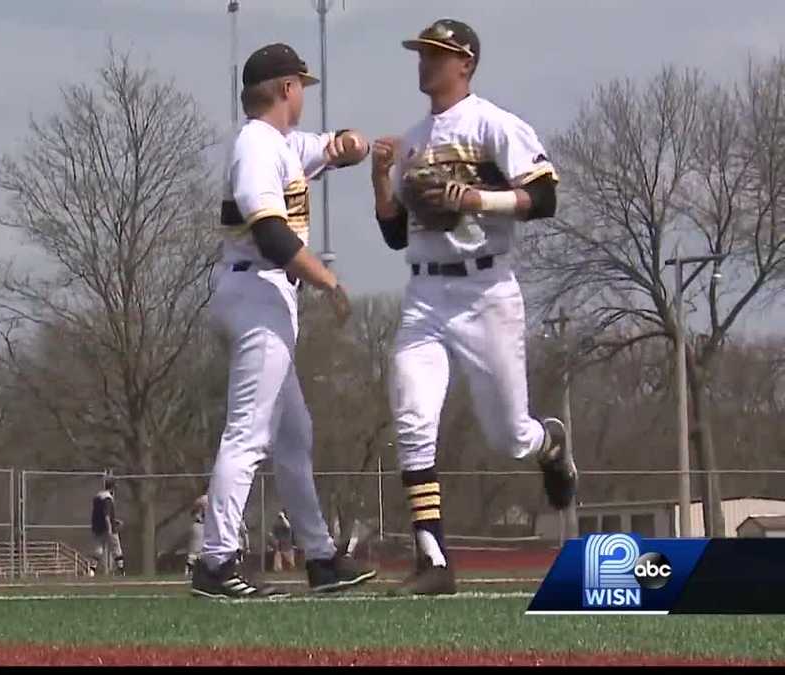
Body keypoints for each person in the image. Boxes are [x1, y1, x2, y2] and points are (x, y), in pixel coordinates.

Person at [372, 19, 576, 597]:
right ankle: (434, 561)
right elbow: (395, 236)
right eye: (422, 54)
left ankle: (550, 445)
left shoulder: (495, 124)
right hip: (425, 293)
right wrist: (381, 185)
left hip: (487, 293)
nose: (425, 63)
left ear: (466, 63)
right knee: (412, 419)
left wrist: (475, 197)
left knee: (509, 437)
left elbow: (545, 197)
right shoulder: (412, 139)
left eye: (437, 55)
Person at [193, 42, 376, 600]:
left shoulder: (280, 142)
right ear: (286, 88)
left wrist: (351, 145)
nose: (303, 96)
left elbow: (331, 149)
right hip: (257, 289)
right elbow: (272, 236)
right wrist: (327, 280)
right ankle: (216, 560)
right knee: (248, 432)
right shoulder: (254, 145)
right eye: (300, 86)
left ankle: (319, 557)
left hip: (264, 292)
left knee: (294, 435)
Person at [89, 477, 125, 576]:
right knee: (116, 549)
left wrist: (115, 521)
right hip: (108, 528)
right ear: (113, 487)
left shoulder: (97, 497)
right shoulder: (107, 498)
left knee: (98, 549)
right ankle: (122, 571)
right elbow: (106, 515)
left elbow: (99, 514)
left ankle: (91, 571)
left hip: (97, 528)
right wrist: (109, 528)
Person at [185, 494, 207, 576]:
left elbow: (192, 512)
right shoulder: (211, 498)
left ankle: (192, 569)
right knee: (197, 550)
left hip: (199, 525)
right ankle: (191, 569)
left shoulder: (201, 499)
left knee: (196, 550)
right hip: (203, 525)